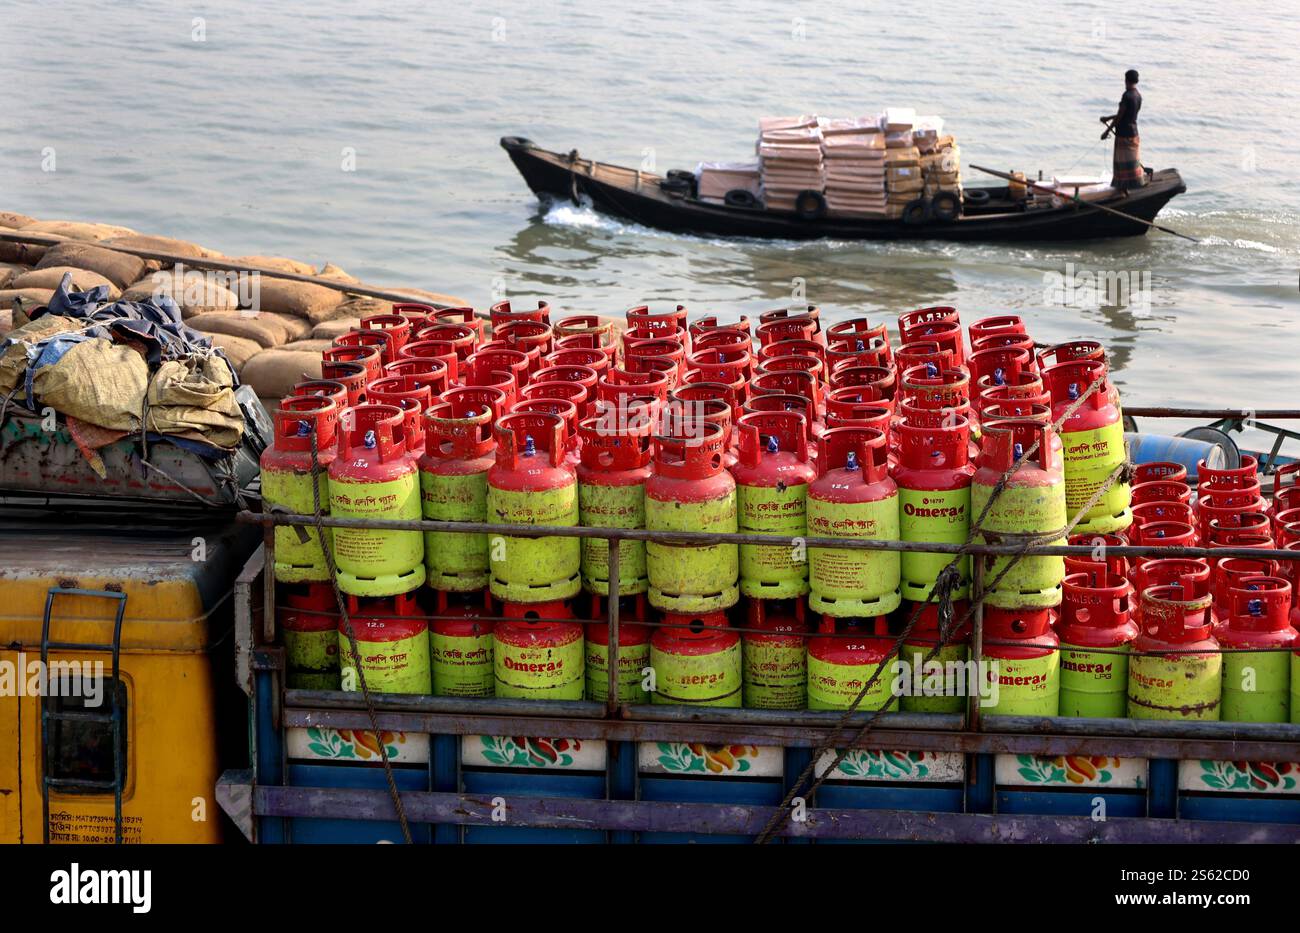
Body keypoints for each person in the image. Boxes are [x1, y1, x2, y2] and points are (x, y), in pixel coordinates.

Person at [1100, 69, 1145, 190]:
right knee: (1132, 162)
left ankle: (1122, 187)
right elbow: (1128, 115)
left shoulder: (1127, 96)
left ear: (1126, 80)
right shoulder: (1138, 96)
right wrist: (1107, 118)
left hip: (1124, 135)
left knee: (1122, 163)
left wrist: (1107, 131)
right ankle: (1135, 183)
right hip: (1134, 134)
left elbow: (1120, 117)